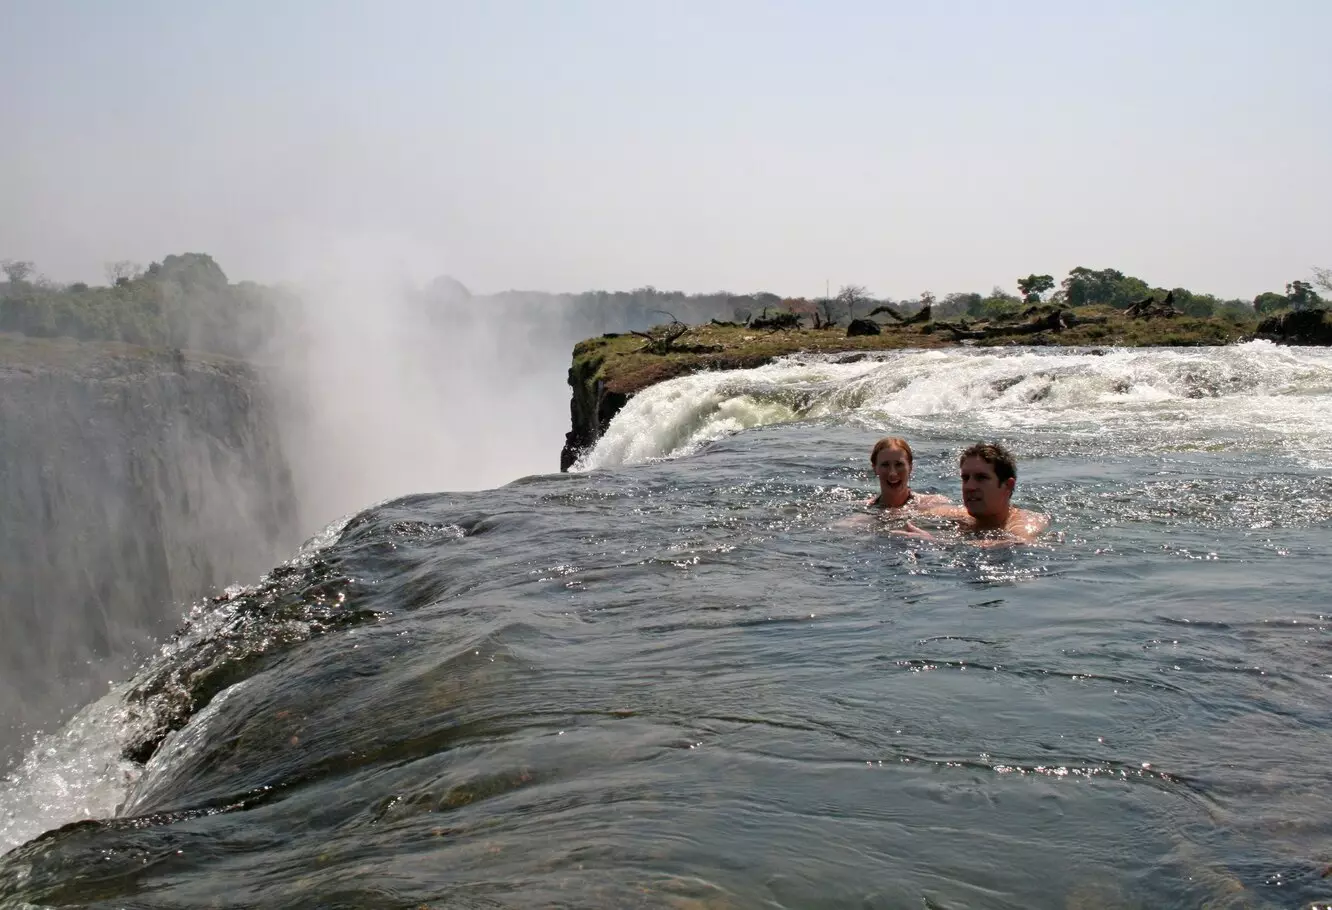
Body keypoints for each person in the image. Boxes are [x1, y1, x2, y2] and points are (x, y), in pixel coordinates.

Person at [896, 442, 1049, 545]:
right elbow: (901, 513)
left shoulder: (1024, 521)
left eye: (981, 478)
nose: (969, 487)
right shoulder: (961, 515)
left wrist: (936, 542)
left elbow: (1019, 543)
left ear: (1007, 486)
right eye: (965, 478)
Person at [866, 436, 950, 510]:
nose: (893, 473)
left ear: (910, 467)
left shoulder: (934, 503)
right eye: (885, 465)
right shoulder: (865, 509)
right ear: (875, 468)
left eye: (899, 464)